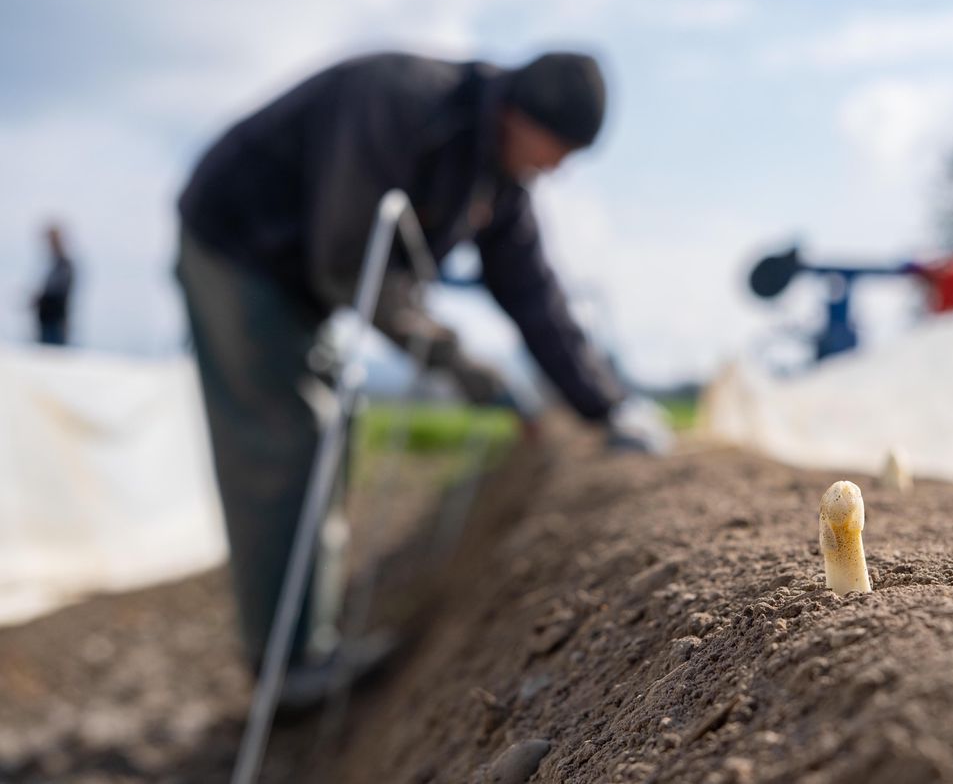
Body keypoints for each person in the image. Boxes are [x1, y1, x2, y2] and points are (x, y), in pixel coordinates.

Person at [175, 50, 671, 704]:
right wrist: (467, 371)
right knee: (283, 438)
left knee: (332, 433)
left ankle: (308, 645)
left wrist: (610, 405)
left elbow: (535, 299)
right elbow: (351, 263)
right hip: (237, 246)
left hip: (298, 272)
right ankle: (285, 667)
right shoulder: (403, 105)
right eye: (558, 149)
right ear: (519, 117)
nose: (559, 169)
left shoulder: (497, 177)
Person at [32, 223, 75, 345]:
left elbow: (57, 291)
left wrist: (39, 298)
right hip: (47, 318)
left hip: (55, 320)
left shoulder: (64, 265)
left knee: (53, 357)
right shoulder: (52, 264)